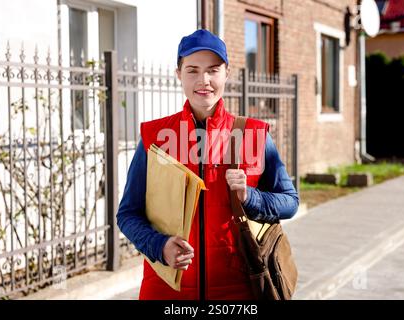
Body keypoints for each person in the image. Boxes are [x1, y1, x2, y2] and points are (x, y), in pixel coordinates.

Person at [116, 29, 299, 300]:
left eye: (213, 70)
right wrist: (159, 245)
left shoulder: (254, 133)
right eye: (193, 70)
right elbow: (127, 214)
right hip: (166, 291)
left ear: (227, 73)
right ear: (178, 74)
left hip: (239, 291)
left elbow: (290, 202)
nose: (204, 80)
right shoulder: (154, 137)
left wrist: (251, 197)